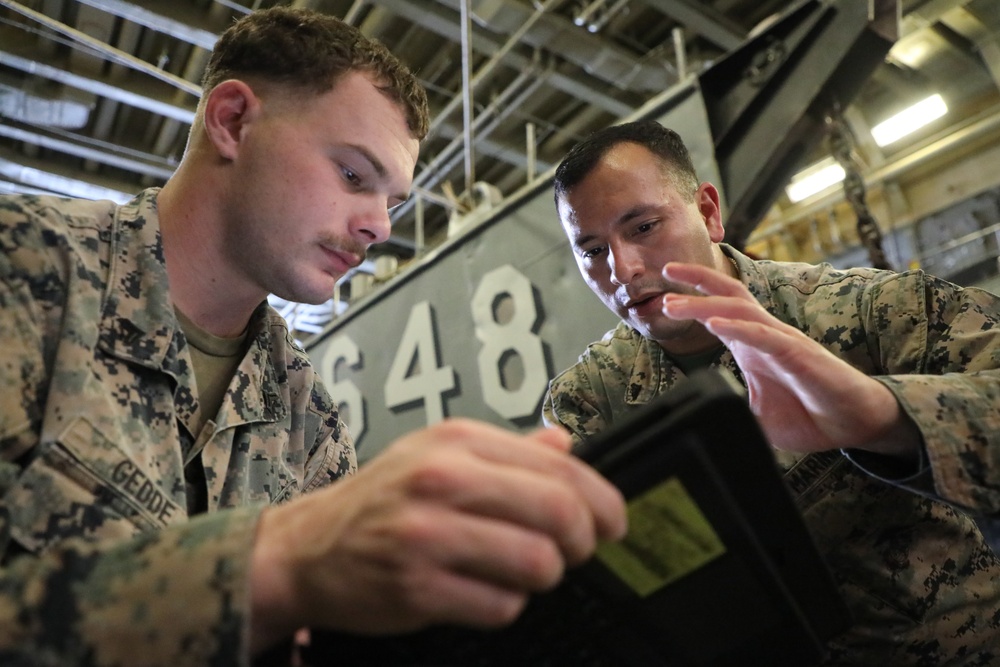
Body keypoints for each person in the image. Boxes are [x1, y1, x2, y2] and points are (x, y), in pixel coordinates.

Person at [0, 8, 626, 666]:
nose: (379, 226)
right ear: (233, 121)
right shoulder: (27, 268)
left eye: (393, 200)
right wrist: (278, 562)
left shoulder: (308, 416)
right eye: (354, 176)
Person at [544, 119, 1000, 664]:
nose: (623, 270)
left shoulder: (870, 311)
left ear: (708, 213)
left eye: (642, 227)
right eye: (592, 250)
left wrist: (880, 415)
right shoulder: (587, 402)